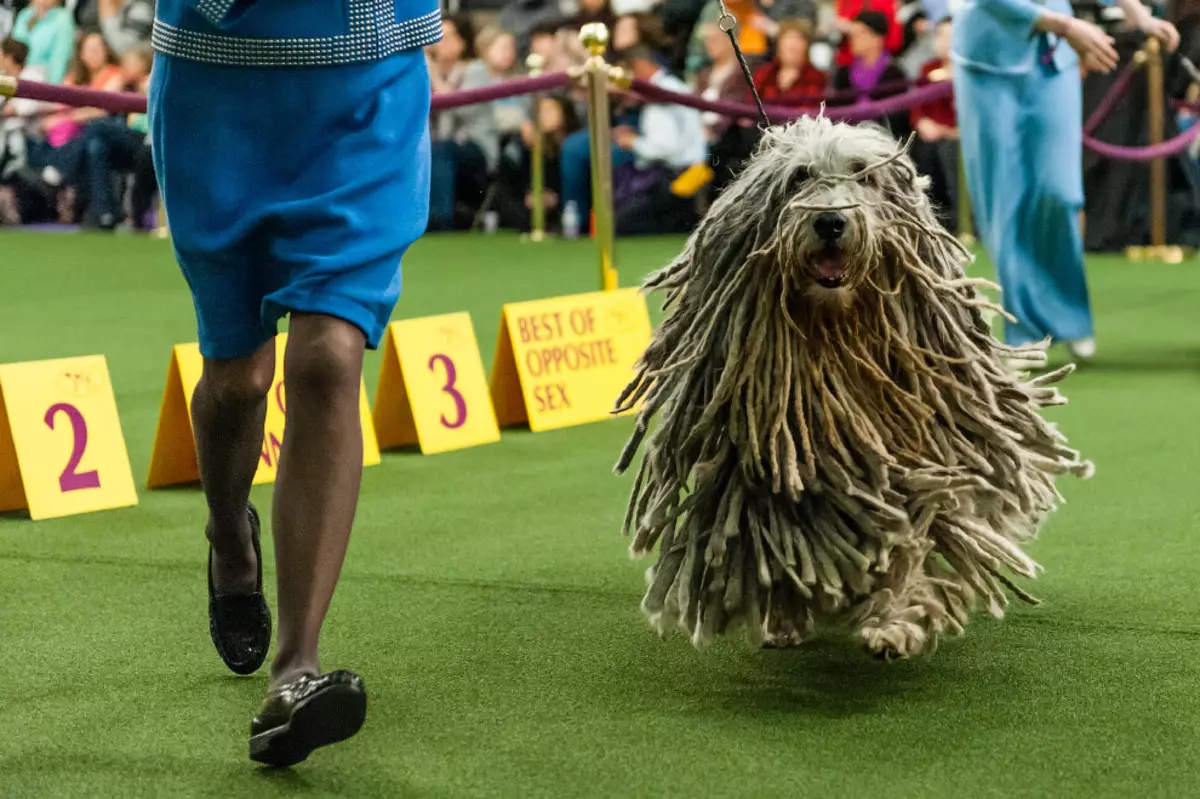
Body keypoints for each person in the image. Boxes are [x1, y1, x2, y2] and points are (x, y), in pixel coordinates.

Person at [148, 0, 440, 767]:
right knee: (238, 376)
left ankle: (295, 670)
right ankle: (228, 534)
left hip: (367, 79)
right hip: (219, 81)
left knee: (329, 356)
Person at [952, 0, 1178, 361]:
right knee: (1005, 201)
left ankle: (1068, 317)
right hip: (988, 60)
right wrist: (1065, 26)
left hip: (1054, 59)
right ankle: (1022, 329)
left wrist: (1138, 14)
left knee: (1059, 192)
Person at [829, 10, 912, 139]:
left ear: (877, 38)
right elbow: (834, 111)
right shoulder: (843, 74)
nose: (853, 39)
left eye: (860, 34)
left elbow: (899, 119)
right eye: (852, 34)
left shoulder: (894, 74)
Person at [909, 16, 957, 230]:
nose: (945, 42)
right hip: (932, 137)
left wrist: (952, 131)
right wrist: (922, 122)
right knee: (924, 151)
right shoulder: (928, 68)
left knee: (950, 151)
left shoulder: (971, 72)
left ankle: (961, 216)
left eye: (951, 36)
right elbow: (917, 108)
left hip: (959, 139)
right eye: (941, 36)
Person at [10, 0, 73, 84]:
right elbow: (12, 49)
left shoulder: (63, 19)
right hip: (14, 75)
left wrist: (51, 90)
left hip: (42, 80)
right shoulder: (24, 14)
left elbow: (59, 61)